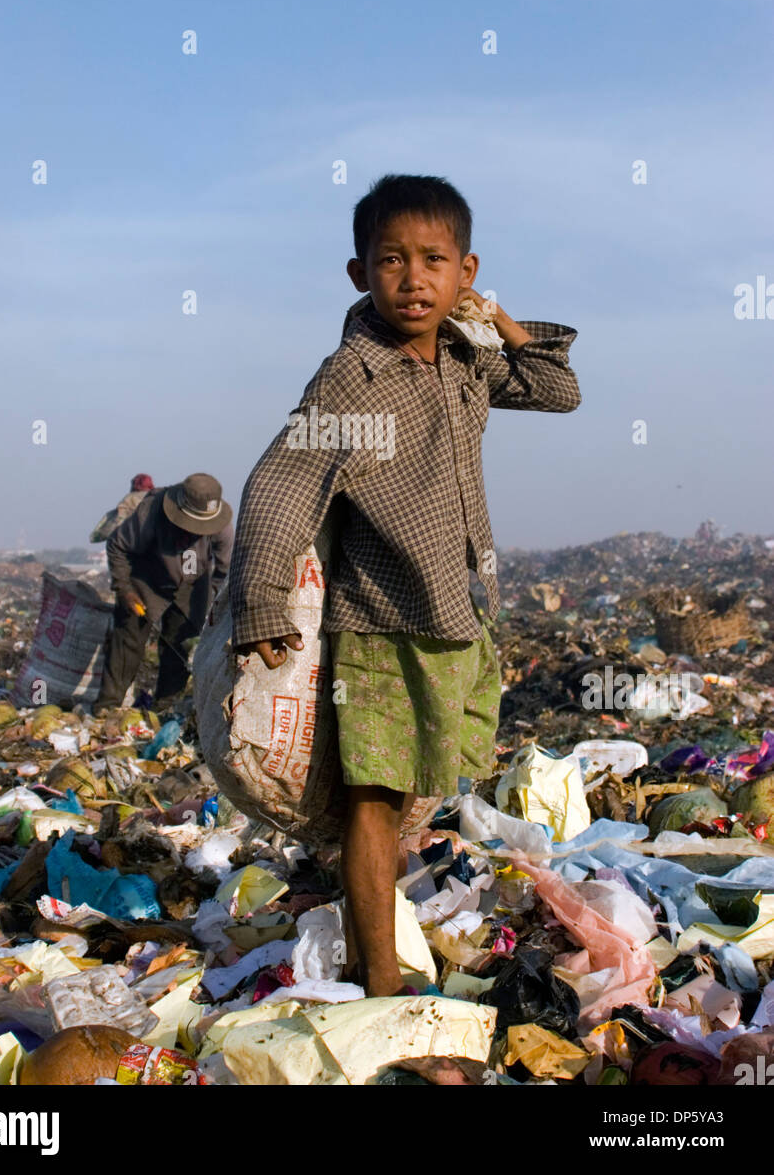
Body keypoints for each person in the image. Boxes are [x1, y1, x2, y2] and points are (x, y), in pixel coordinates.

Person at [229, 173, 581, 996]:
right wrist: (259, 600)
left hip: (453, 615)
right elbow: (284, 480)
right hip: (379, 617)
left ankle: (369, 954)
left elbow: (558, 390)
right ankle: (379, 979)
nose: (413, 279)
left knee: (413, 792)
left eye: (434, 261)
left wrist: (492, 319)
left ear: (467, 270)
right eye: (391, 260)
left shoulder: (463, 361)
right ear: (359, 274)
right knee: (374, 802)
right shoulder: (353, 378)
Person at [96, 473, 234, 712]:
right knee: (127, 641)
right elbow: (117, 546)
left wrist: (213, 605)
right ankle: (107, 706)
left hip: (193, 584)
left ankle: (165, 707)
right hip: (147, 577)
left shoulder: (222, 526)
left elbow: (225, 572)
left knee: (180, 645)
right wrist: (125, 590)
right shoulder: (152, 511)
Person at [89, 473, 155, 544]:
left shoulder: (130, 499)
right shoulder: (158, 497)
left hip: (135, 544)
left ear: (135, 485)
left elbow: (118, 520)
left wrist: (97, 536)